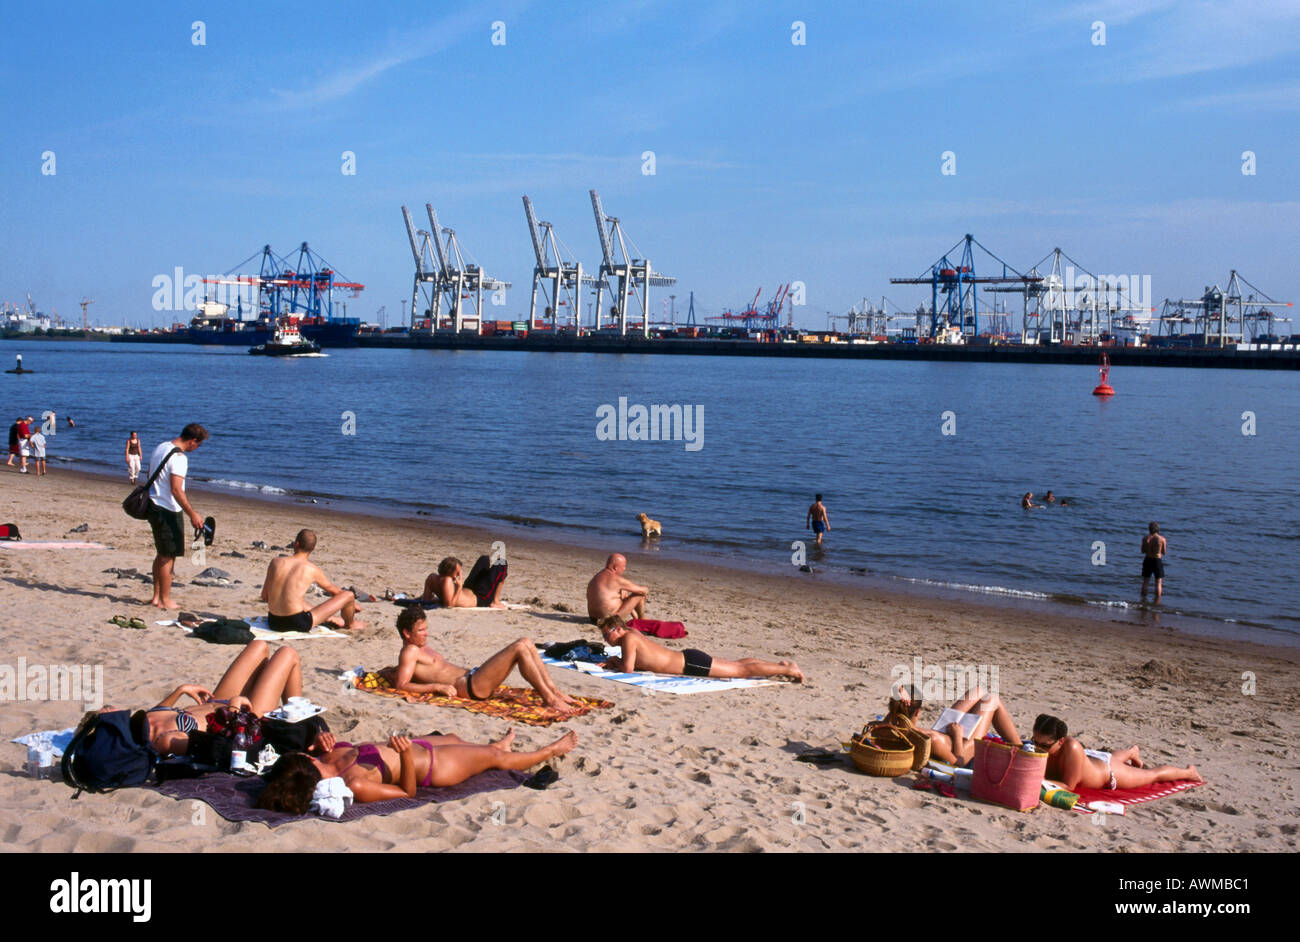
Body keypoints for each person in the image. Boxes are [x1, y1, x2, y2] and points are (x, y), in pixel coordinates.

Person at [256, 727, 578, 812]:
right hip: (431, 768)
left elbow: (341, 745)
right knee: (495, 757)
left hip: (419, 747)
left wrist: (324, 738)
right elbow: (406, 793)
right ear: (307, 764)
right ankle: (551, 750)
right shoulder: (353, 784)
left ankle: (497, 747)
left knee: (453, 737)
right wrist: (407, 757)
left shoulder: (327, 757)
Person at [105, 640, 304, 757]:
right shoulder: (163, 740)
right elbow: (220, 747)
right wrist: (234, 710)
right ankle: (300, 727)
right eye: (106, 711)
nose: (108, 706)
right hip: (245, 720)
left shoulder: (144, 720)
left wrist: (180, 691)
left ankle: (298, 721)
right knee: (287, 654)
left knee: (258, 645)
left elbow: (161, 710)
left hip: (218, 701)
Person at [383, 607, 581, 712]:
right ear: (406, 633)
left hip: (473, 678)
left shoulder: (417, 648)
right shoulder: (410, 651)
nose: (426, 634)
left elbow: (405, 673)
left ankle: (554, 692)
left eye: (426, 628)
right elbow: (402, 685)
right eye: (420, 631)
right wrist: (437, 687)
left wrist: (390, 671)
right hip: (470, 687)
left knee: (527, 642)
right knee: (520, 647)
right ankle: (550, 699)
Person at [597, 615, 803, 682]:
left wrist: (614, 662)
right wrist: (616, 661)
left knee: (741, 671)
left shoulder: (628, 640)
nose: (606, 640)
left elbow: (629, 670)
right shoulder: (633, 634)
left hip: (691, 664)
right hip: (689, 658)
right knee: (737, 664)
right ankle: (779, 665)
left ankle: (788, 670)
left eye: (607, 634)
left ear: (617, 628)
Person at [1030, 714, 1201, 792]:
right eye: (1035, 741)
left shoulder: (1072, 748)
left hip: (1108, 773)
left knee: (1151, 775)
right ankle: (1132, 752)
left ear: (1060, 741)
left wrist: (1040, 782)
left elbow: (1069, 787)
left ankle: (1189, 772)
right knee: (1111, 757)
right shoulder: (1043, 744)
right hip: (1093, 760)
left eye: (1044, 745)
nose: (1037, 747)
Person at [145, 423, 208, 610]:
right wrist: (192, 514)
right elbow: (176, 490)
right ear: (193, 441)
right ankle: (165, 600)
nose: (197, 449)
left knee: (161, 553)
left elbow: (150, 474)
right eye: (199, 445)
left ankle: (156, 596)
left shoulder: (161, 447)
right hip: (167, 510)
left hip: (153, 504)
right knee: (168, 556)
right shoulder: (179, 458)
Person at [885, 683, 1022, 767]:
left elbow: (892, 715)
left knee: (978, 691)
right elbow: (959, 763)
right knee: (992, 699)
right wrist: (957, 736)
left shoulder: (886, 727)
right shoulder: (932, 740)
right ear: (918, 712)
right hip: (960, 747)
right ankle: (1022, 749)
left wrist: (897, 703)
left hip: (945, 734)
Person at [261, 529, 364, 631]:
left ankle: (330, 618)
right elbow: (335, 592)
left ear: (296, 544)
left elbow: (265, 596)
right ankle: (350, 624)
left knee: (294, 600)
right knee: (348, 595)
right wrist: (352, 604)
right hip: (298, 623)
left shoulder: (275, 562)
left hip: (274, 622)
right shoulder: (312, 569)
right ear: (313, 548)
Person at [421, 553, 507, 608]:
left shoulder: (432, 577)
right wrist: (459, 587)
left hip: (468, 588)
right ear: (451, 572)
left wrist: (438, 599)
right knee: (502, 563)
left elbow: (426, 599)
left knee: (484, 559)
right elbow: (449, 605)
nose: (459, 574)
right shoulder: (447, 581)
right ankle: (495, 601)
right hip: (481, 597)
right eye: (458, 571)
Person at [586, 553, 649, 624]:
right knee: (639, 594)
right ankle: (643, 621)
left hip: (593, 619)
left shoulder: (597, 577)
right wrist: (645, 591)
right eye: (623, 566)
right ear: (615, 568)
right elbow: (642, 590)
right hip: (609, 620)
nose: (624, 569)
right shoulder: (617, 580)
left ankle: (637, 619)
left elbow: (625, 598)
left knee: (624, 592)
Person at [1141, 522, 1167, 602]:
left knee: (1146, 581)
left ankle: (1143, 599)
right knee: (1158, 582)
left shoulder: (1145, 538)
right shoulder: (1162, 539)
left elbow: (1142, 551)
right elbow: (1164, 552)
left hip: (1148, 559)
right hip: (1157, 560)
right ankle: (1157, 602)